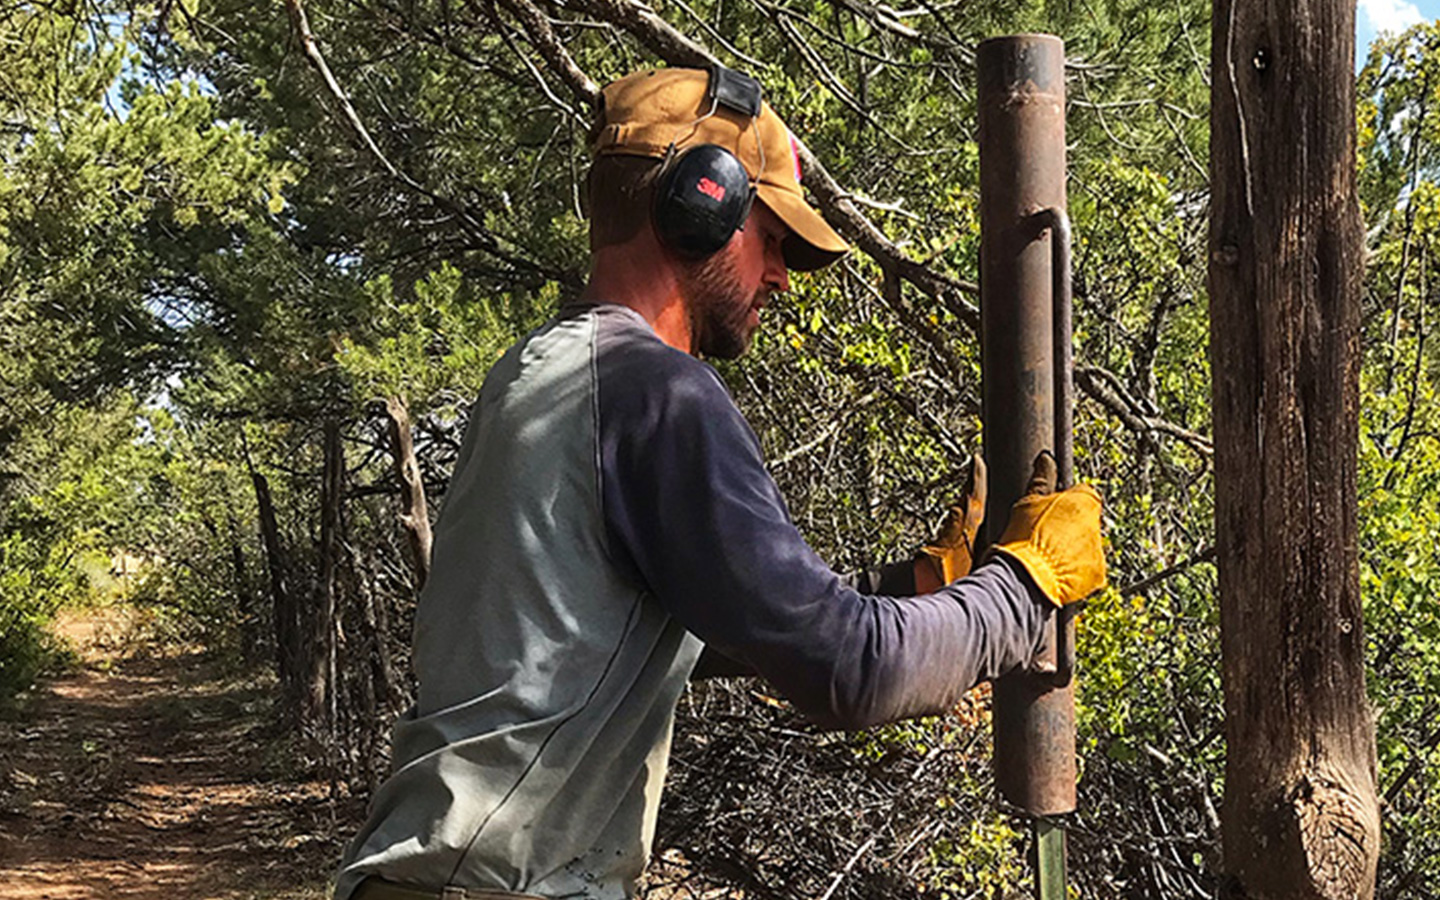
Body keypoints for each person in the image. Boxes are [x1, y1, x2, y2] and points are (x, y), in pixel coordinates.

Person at [334, 65, 1105, 900]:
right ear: (704, 203)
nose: (779, 275)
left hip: (429, 873)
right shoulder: (653, 392)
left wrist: (915, 587)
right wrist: (1025, 587)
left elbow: (610, 636)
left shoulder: (533, 376)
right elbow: (849, 671)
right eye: (770, 239)